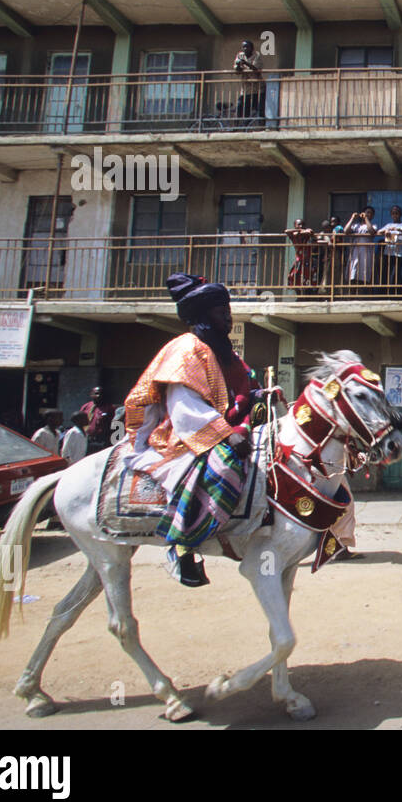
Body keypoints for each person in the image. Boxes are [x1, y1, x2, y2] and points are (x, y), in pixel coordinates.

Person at [124, 273, 261, 587]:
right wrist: (227, 433)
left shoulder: (225, 352)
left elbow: (238, 391)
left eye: (227, 308)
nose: (227, 315)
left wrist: (259, 397)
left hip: (224, 426)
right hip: (180, 433)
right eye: (219, 310)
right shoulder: (185, 349)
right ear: (202, 315)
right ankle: (183, 542)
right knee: (224, 468)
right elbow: (184, 405)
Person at [380, 205, 402, 292]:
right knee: (387, 273)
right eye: (393, 213)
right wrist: (386, 231)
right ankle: (387, 293)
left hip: (399, 254)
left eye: (397, 213)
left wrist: (400, 230)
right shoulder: (389, 225)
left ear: (400, 214)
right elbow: (379, 232)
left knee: (397, 274)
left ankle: (396, 293)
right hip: (389, 253)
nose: (395, 215)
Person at [346, 205, 378, 289]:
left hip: (366, 251)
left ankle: (363, 294)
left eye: (370, 213)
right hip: (355, 251)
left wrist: (366, 219)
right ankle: (352, 294)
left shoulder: (373, 225)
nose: (368, 214)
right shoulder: (356, 225)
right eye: (367, 212)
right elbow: (346, 231)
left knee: (364, 271)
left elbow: (372, 232)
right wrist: (352, 218)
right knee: (354, 271)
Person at [233, 39, 264, 120]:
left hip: (257, 88)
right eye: (244, 47)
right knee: (240, 106)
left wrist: (246, 63)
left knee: (258, 108)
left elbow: (256, 69)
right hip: (245, 88)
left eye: (247, 47)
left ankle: (261, 126)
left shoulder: (256, 55)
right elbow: (237, 70)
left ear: (252, 48)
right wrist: (239, 65)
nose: (245, 49)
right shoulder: (240, 55)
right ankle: (238, 126)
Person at [284, 218, 317, 289]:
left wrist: (301, 231)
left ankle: (306, 296)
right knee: (294, 278)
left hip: (308, 260)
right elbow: (286, 231)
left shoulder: (306, 233)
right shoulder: (294, 235)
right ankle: (299, 295)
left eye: (303, 224)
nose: (301, 226)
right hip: (299, 260)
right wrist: (298, 231)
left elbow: (310, 231)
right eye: (299, 225)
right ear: (295, 226)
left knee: (309, 279)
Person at [80, 386, 114, 453]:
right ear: (91, 394)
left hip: (99, 441)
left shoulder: (109, 408)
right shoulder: (86, 407)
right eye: (96, 393)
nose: (99, 396)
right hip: (85, 440)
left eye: (101, 394)